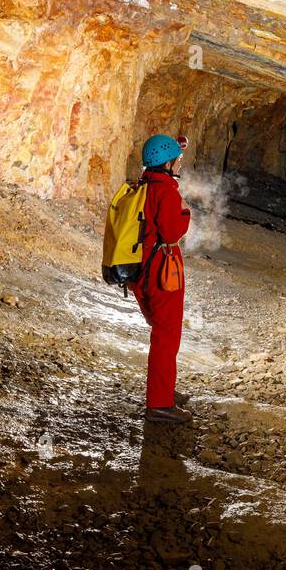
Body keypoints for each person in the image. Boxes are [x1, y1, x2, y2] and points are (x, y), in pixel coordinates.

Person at [132, 134, 192, 424]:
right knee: (166, 337)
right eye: (176, 159)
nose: (179, 162)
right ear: (167, 163)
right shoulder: (166, 191)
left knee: (161, 333)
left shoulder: (142, 185)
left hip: (140, 271)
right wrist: (186, 213)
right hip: (160, 273)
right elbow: (171, 233)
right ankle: (160, 403)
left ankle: (163, 389)